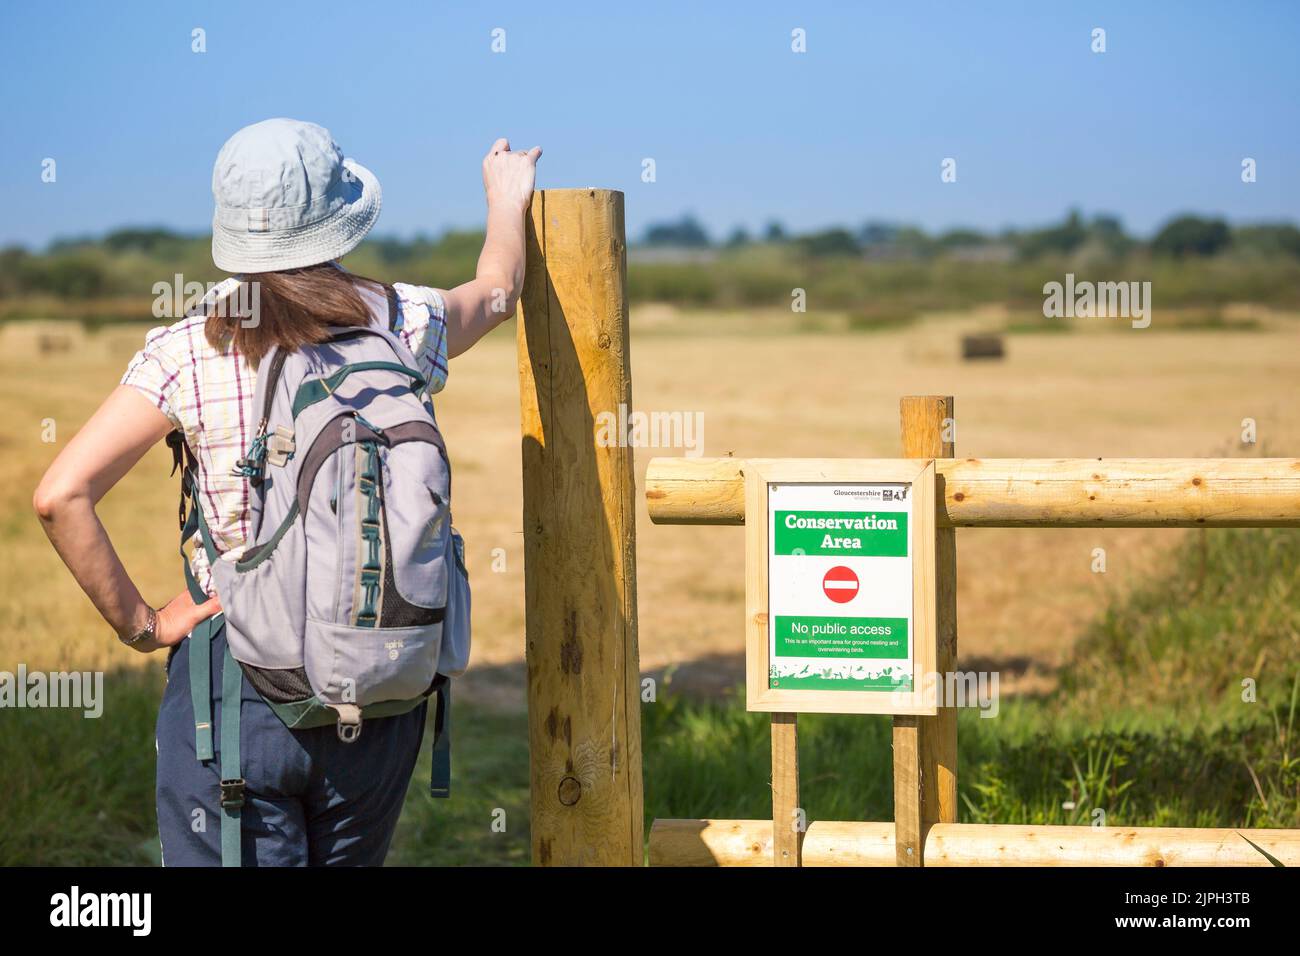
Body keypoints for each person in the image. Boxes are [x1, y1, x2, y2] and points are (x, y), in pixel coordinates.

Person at [32, 118, 540, 865]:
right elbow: (499, 291)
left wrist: (140, 624)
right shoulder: (401, 320)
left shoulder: (188, 348)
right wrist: (506, 198)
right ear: (339, 223)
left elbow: (61, 495)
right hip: (380, 678)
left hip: (236, 689)